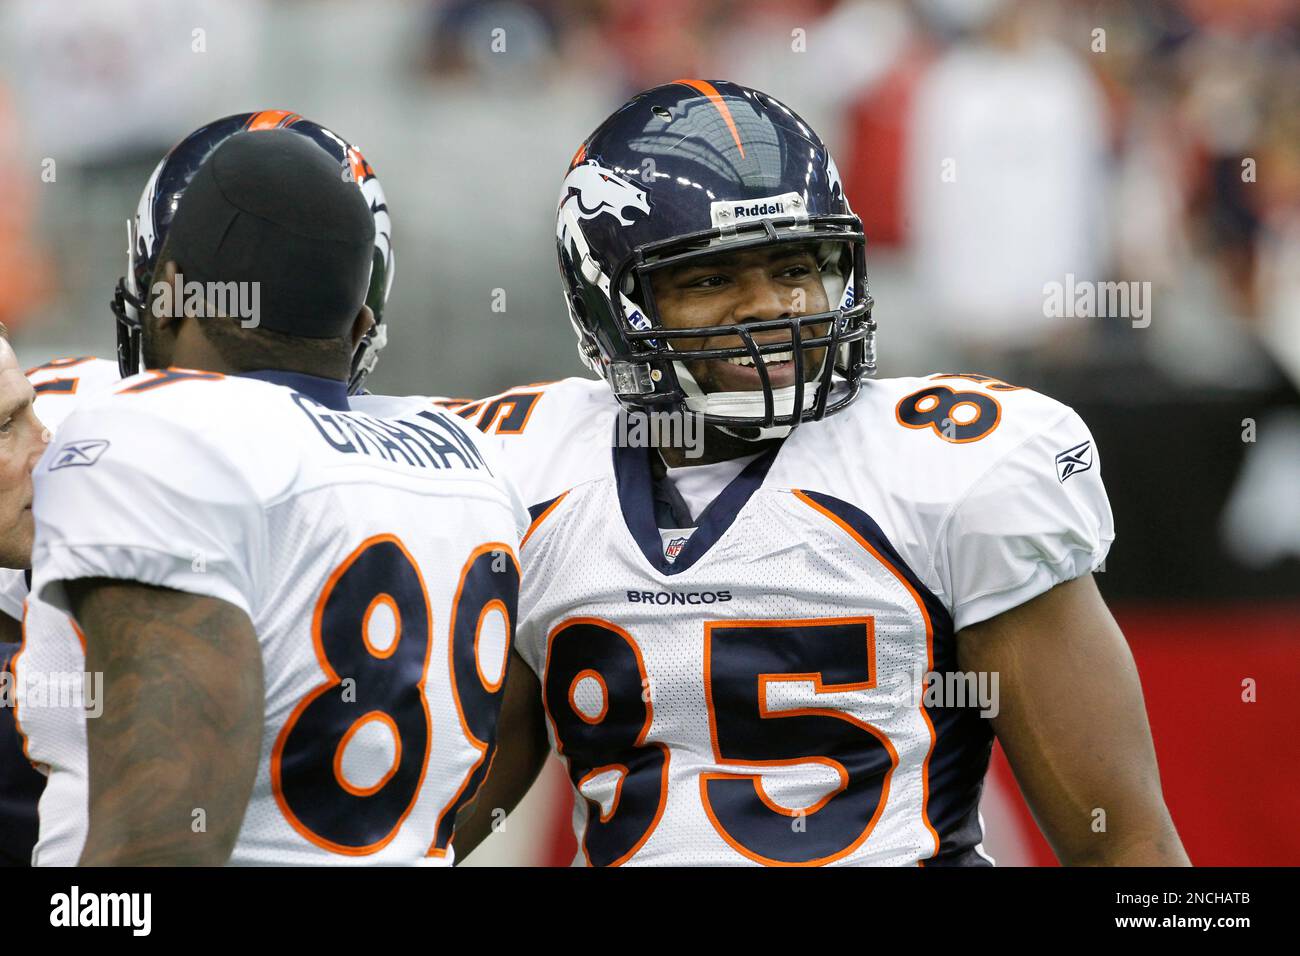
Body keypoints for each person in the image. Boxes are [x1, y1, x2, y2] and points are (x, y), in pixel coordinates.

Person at [453, 80, 1189, 866]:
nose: (770, 306)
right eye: (711, 279)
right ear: (608, 306)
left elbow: (1127, 843)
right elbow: (437, 825)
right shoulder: (523, 473)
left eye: (796, 265)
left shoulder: (950, 465)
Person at [24, 128, 525, 865]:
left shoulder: (154, 432)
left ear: (165, 297)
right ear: (358, 327)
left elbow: (165, 839)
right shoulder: (468, 457)